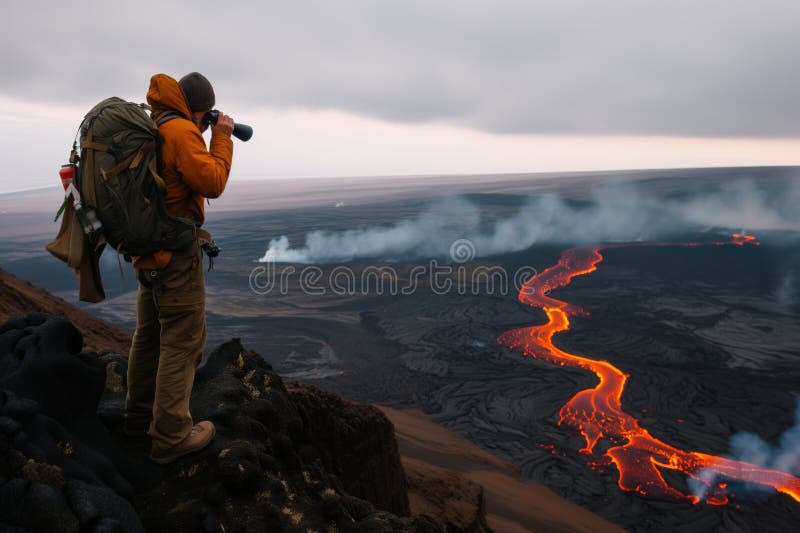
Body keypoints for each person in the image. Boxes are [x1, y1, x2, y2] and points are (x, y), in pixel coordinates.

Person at [123, 72, 234, 464]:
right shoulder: (183, 131)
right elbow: (213, 181)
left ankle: (137, 419)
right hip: (176, 257)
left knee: (149, 336)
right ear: (202, 109)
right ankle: (170, 437)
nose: (204, 125)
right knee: (182, 341)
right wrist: (220, 135)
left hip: (148, 252)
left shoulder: (153, 124)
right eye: (206, 117)